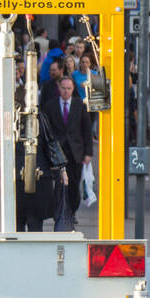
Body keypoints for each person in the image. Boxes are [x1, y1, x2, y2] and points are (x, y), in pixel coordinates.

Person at [42, 76, 93, 231]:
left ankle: (72, 212)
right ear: (59, 88)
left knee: (73, 184)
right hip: (57, 152)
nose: (66, 91)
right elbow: (46, 130)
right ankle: (60, 212)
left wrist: (88, 153)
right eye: (63, 88)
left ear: (73, 89)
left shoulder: (79, 105)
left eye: (69, 88)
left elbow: (86, 130)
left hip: (75, 152)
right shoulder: (50, 106)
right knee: (58, 185)